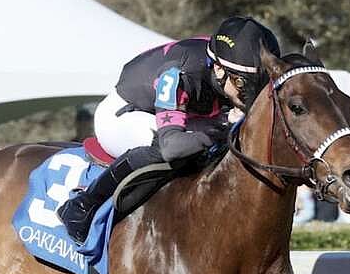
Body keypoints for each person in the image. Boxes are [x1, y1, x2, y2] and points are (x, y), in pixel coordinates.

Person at [56, 15, 282, 244]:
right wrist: (221, 131)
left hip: (188, 115)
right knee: (174, 152)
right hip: (126, 114)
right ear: (219, 70)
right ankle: (82, 205)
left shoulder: (227, 67)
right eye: (244, 84)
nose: (252, 95)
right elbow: (171, 147)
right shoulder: (180, 73)